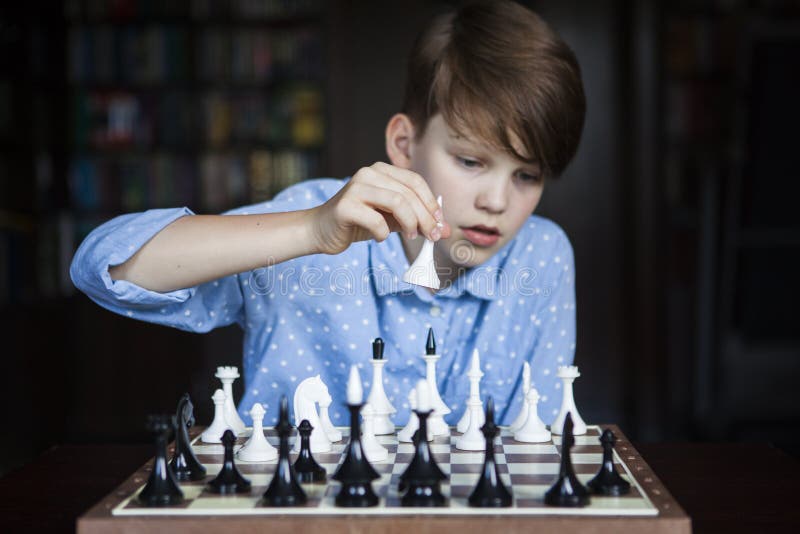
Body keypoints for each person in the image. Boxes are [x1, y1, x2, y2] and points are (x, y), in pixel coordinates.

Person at [70, 0, 585, 427]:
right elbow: (104, 269)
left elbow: (532, 451)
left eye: (527, 175)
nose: (497, 200)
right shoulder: (308, 217)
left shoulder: (542, 255)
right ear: (404, 144)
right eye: (471, 161)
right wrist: (310, 229)